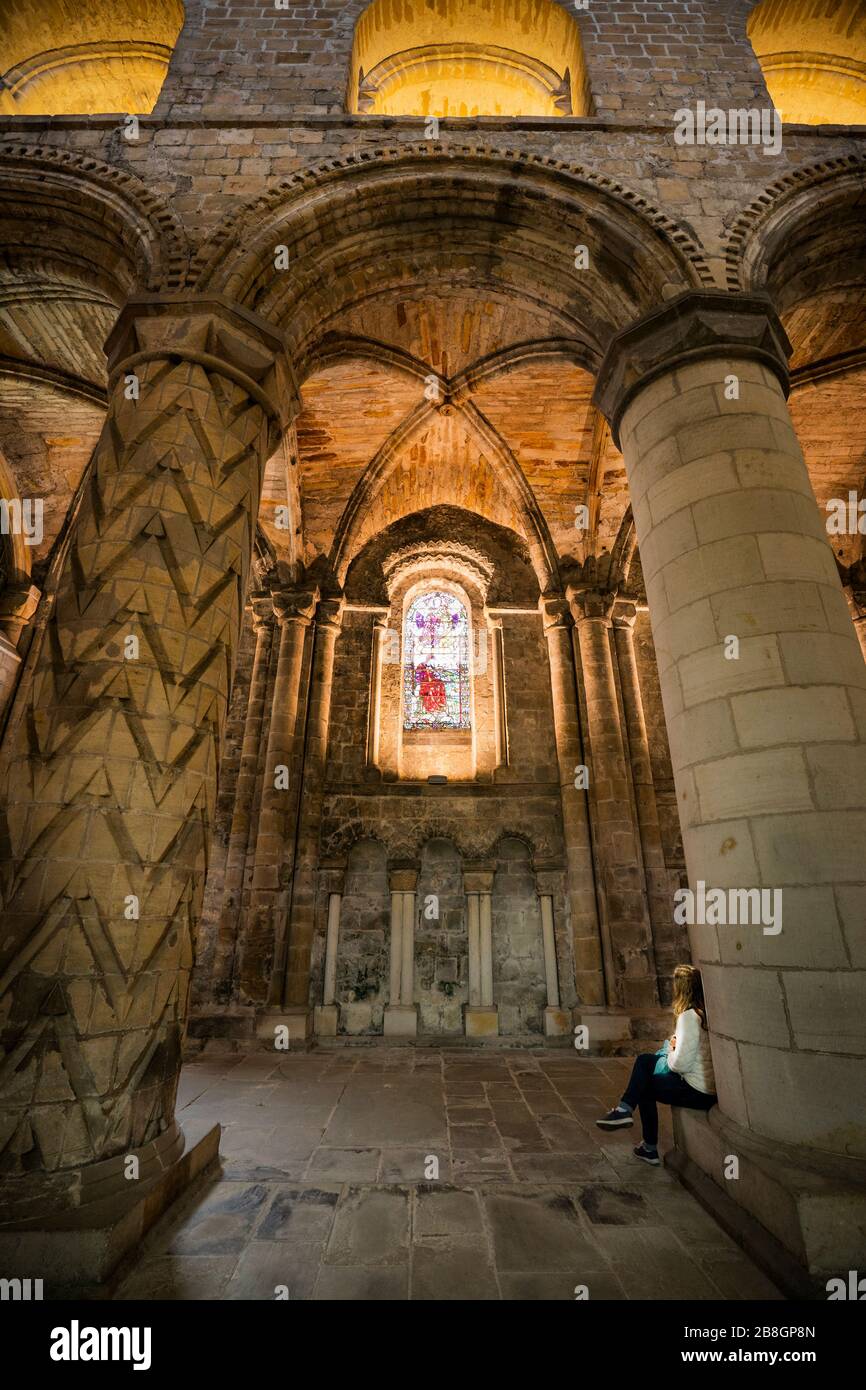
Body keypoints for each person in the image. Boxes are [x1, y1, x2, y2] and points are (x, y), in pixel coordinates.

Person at [595, 964, 717, 1165]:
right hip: (704, 1086)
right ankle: (628, 1117)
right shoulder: (703, 1012)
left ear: (682, 989)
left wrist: (671, 1050)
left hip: (697, 1090)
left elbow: (680, 1064)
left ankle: (641, 1134)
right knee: (644, 1062)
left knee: (644, 1086)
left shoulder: (689, 1017)